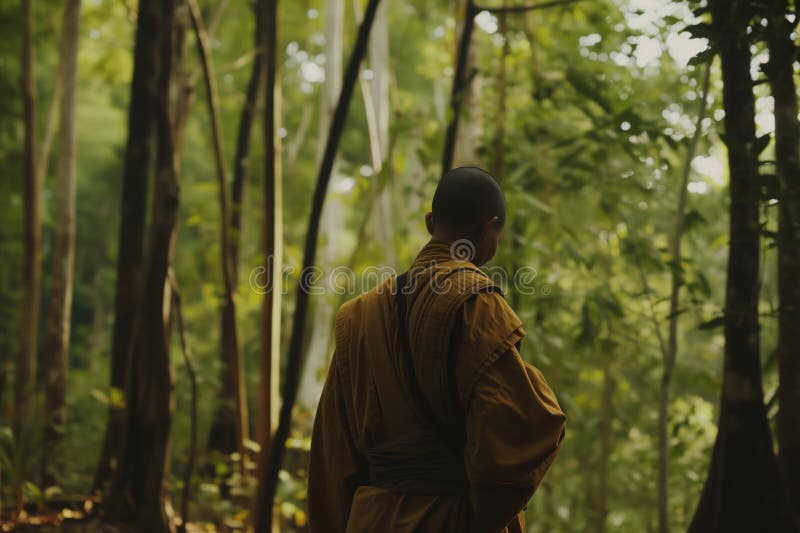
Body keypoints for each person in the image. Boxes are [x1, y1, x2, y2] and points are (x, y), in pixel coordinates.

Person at [308, 166, 566, 532]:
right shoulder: (476, 304)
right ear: (490, 228)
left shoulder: (357, 317)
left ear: (431, 223)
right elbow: (519, 433)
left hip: (371, 520)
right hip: (448, 517)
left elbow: (332, 454)